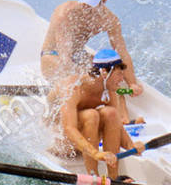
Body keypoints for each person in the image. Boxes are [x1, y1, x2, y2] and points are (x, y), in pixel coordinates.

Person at [40, 0, 143, 97]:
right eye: (85, 3)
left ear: (104, 1)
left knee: (112, 69)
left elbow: (122, 53)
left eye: (91, 4)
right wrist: (91, 77)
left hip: (78, 56)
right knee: (97, 79)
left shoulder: (110, 20)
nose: (86, 8)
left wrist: (132, 84)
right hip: (53, 57)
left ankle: (123, 100)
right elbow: (65, 59)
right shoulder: (65, 14)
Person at [57, 48, 143, 176]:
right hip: (62, 144)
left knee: (111, 113)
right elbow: (69, 128)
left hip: (86, 145)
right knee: (92, 115)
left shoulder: (108, 89)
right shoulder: (73, 87)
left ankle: (113, 178)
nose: (122, 79)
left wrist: (131, 146)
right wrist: (95, 153)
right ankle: (93, 175)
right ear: (104, 72)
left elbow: (117, 125)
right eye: (119, 74)